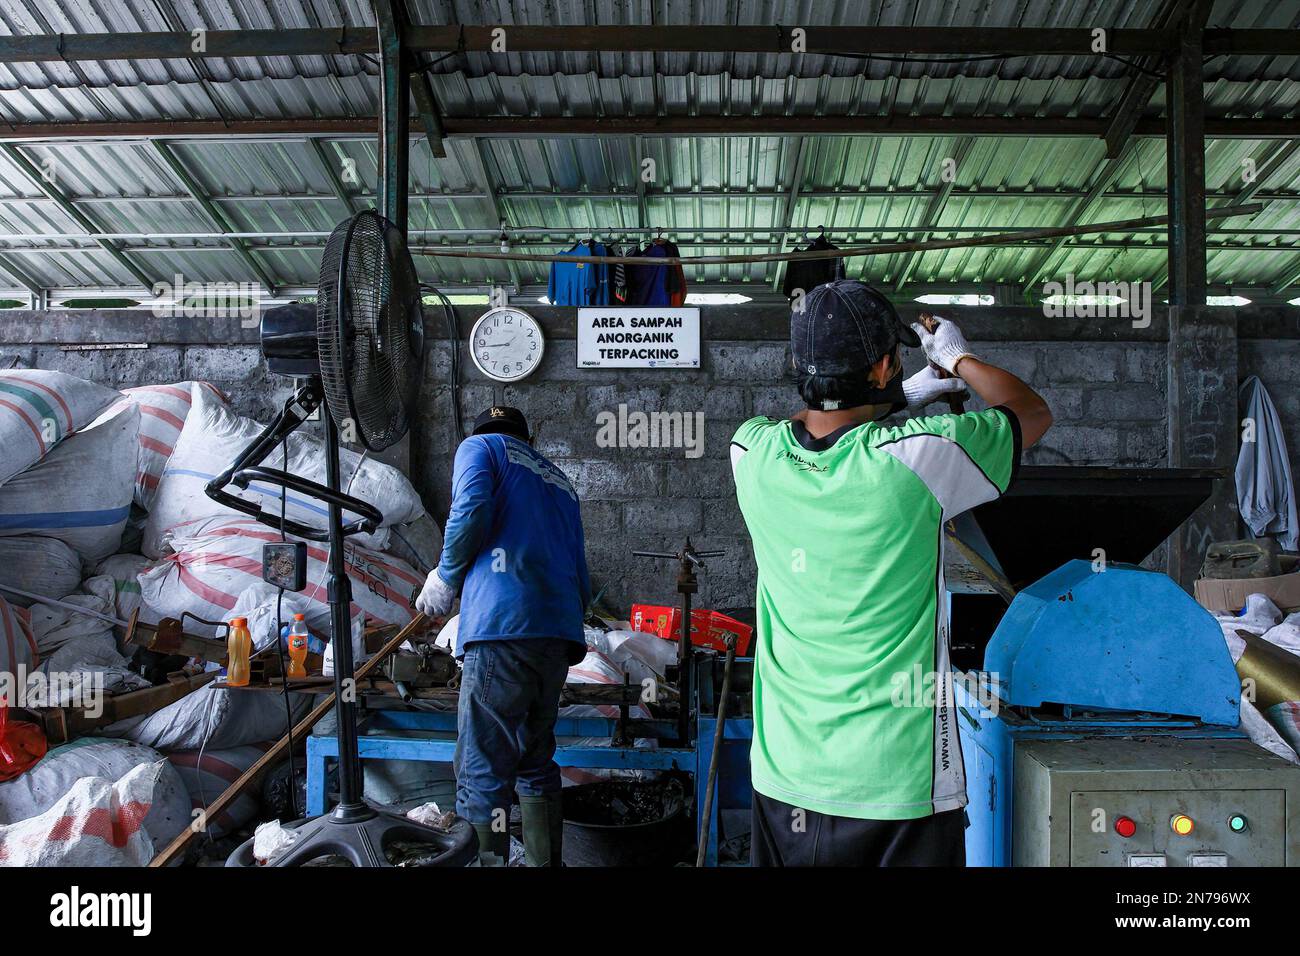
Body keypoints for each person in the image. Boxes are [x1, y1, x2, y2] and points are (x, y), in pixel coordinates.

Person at [730, 280, 1052, 867]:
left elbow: (818, 424)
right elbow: (1030, 412)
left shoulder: (751, 453)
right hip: (897, 785)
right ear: (882, 366)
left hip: (785, 777)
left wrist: (899, 391)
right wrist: (958, 359)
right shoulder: (920, 457)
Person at [415, 405, 591, 866]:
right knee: (534, 762)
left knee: (482, 767)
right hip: (557, 634)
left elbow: (471, 506)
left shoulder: (481, 447)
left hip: (502, 629)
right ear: (526, 437)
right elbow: (580, 569)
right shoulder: (559, 480)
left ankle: (486, 860)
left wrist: (446, 577)